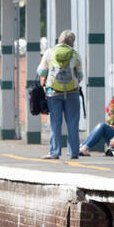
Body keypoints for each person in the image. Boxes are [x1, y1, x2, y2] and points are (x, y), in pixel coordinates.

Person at [38, 30, 83, 160]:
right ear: (72, 42)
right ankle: (74, 152)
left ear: (60, 39)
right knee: (73, 123)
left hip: (53, 92)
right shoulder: (75, 54)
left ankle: (54, 152)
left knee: (55, 123)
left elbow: (41, 70)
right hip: (72, 92)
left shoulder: (49, 52)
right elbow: (80, 76)